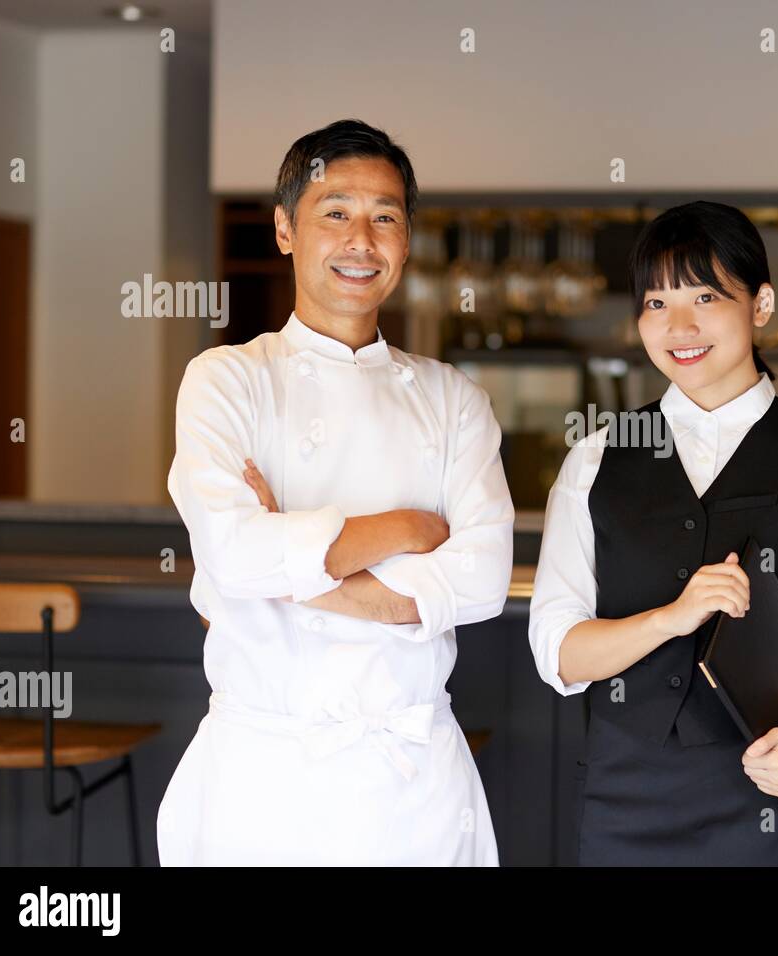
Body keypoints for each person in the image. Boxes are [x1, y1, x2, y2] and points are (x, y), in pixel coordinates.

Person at [157, 119, 513, 865]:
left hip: (410, 790)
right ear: (286, 229)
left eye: (385, 216)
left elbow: (480, 581)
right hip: (265, 786)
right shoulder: (227, 380)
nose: (362, 240)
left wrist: (292, 558)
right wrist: (411, 528)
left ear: (408, 239)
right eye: (336, 213)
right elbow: (235, 555)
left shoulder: (455, 401)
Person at [528, 201, 778, 865]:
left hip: (764, 799)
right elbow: (558, 654)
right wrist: (672, 617)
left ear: (761, 304)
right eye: (657, 303)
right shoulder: (594, 460)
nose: (680, 326)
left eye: (705, 295)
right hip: (624, 805)